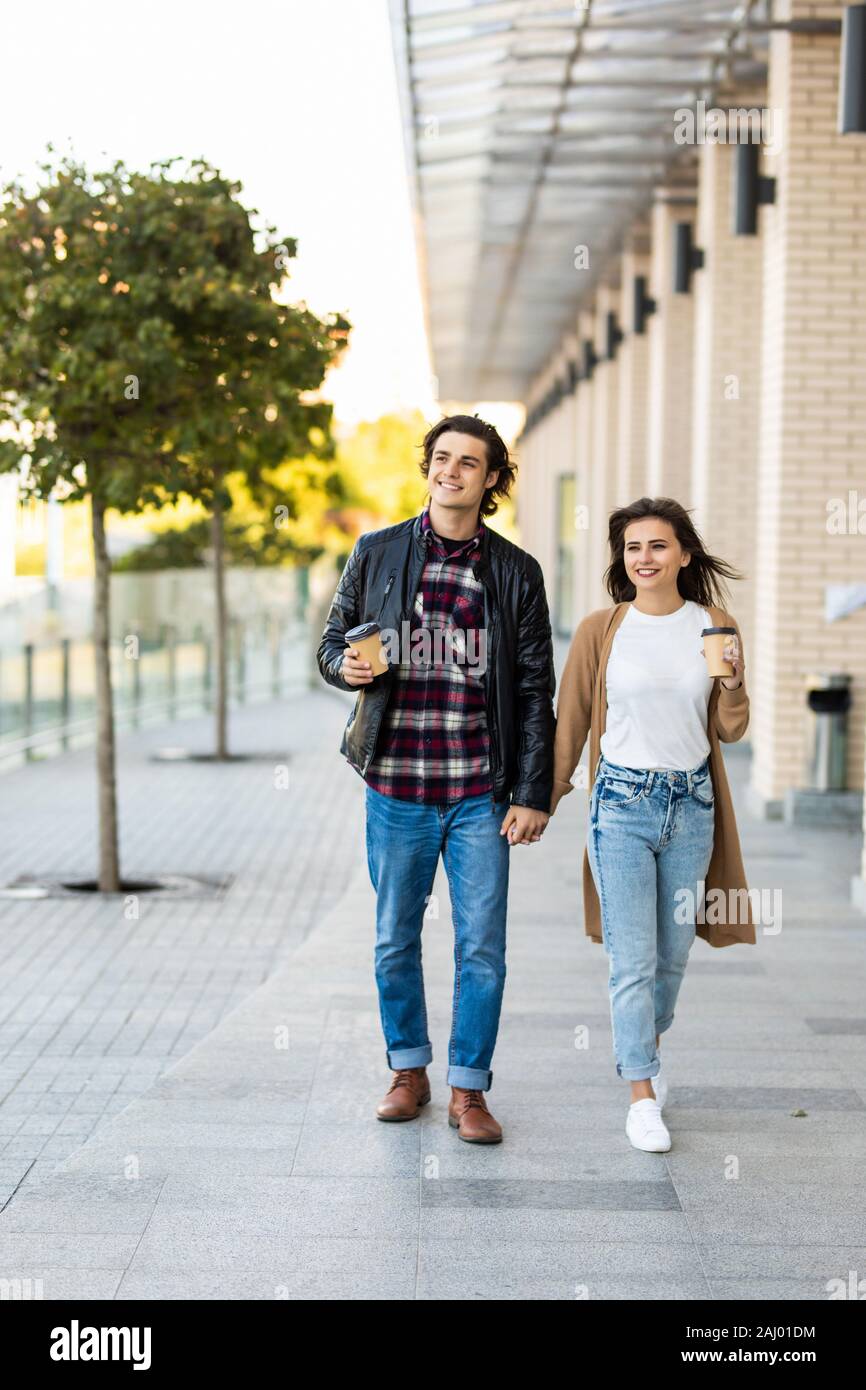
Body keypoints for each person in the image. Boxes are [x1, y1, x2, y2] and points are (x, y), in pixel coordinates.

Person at [317, 414, 555, 1144]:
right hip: (395, 784)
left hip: (480, 793)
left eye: (469, 463)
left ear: (490, 480)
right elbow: (331, 645)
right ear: (428, 469)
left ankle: (469, 1090)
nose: (451, 471)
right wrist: (345, 666)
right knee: (394, 938)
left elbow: (535, 688)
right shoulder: (378, 552)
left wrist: (533, 793)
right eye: (442, 459)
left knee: (482, 946)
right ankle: (408, 1071)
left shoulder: (515, 572)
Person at [548, 497, 755, 1153]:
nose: (644, 558)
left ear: (683, 555)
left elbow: (731, 727)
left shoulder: (713, 623)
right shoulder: (602, 630)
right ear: (623, 559)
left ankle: (646, 1054)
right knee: (632, 961)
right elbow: (572, 722)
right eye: (633, 547)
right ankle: (640, 1094)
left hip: (692, 807)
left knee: (672, 957)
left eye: (658, 546)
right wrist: (542, 799)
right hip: (622, 807)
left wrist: (734, 685)